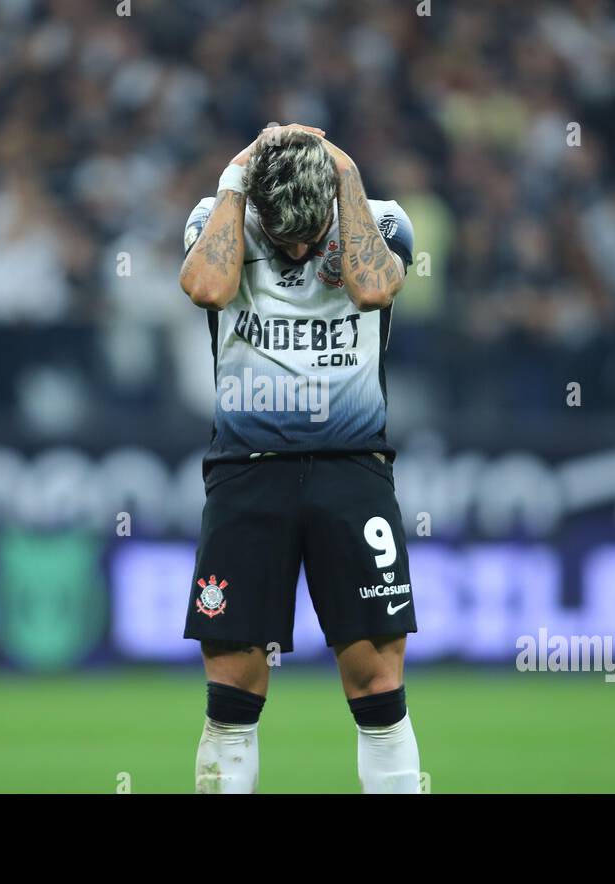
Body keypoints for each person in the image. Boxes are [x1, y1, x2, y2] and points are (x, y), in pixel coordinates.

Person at [178, 124, 420, 793]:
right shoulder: (215, 216)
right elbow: (205, 287)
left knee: (376, 678)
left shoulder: (384, 222)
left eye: (308, 237)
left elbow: (374, 289)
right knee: (232, 686)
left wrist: (345, 173)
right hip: (246, 474)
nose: (295, 249)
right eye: (281, 236)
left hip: (352, 470)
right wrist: (234, 179)